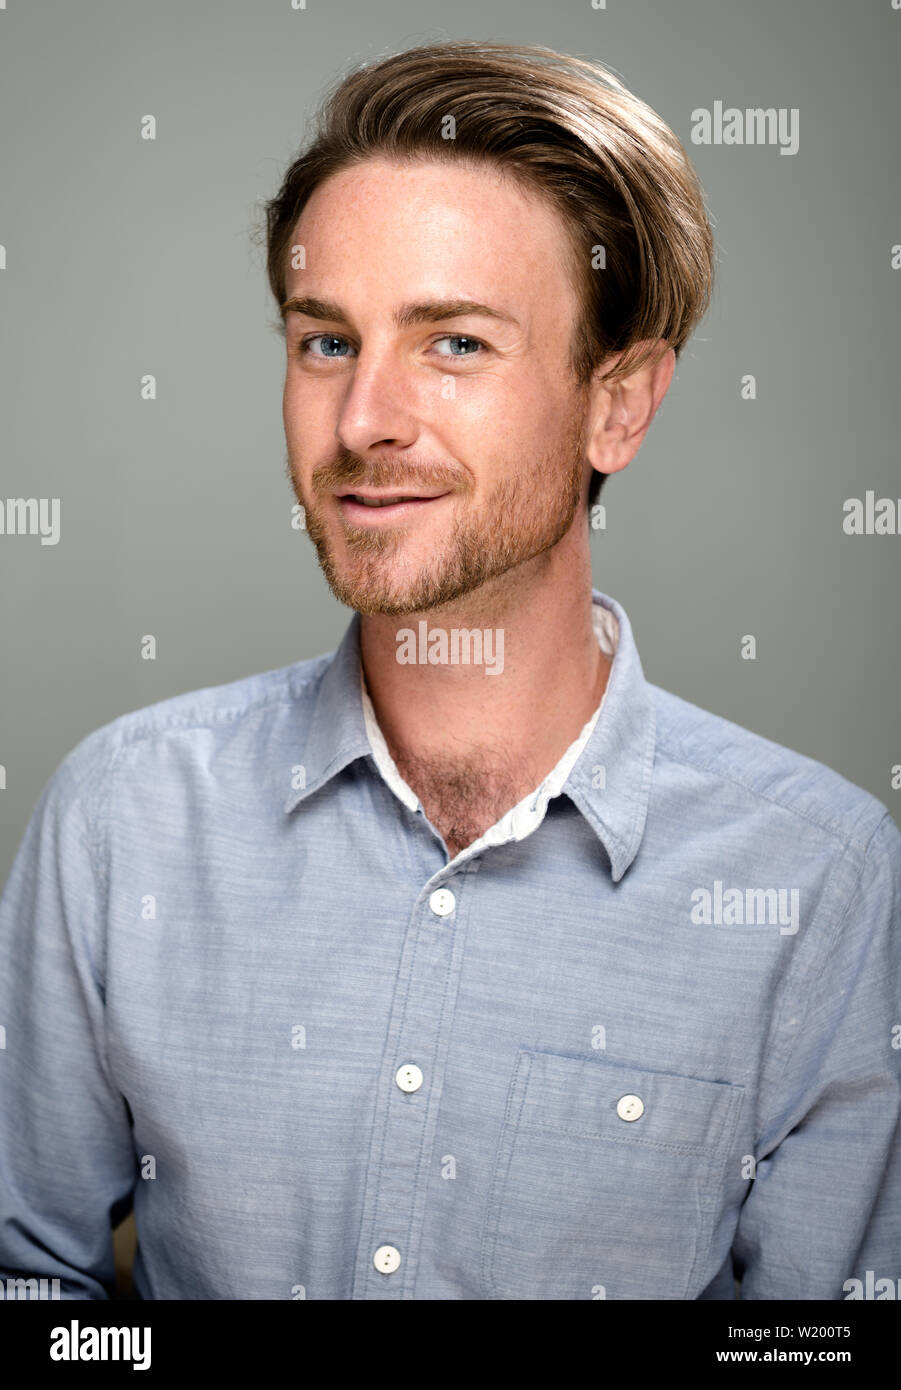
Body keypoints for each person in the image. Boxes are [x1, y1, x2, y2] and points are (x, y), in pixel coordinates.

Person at [0, 41, 898, 1301]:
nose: (363, 417)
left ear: (619, 405)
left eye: (456, 344)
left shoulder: (818, 884)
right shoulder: (121, 822)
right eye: (325, 343)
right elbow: (33, 1291)